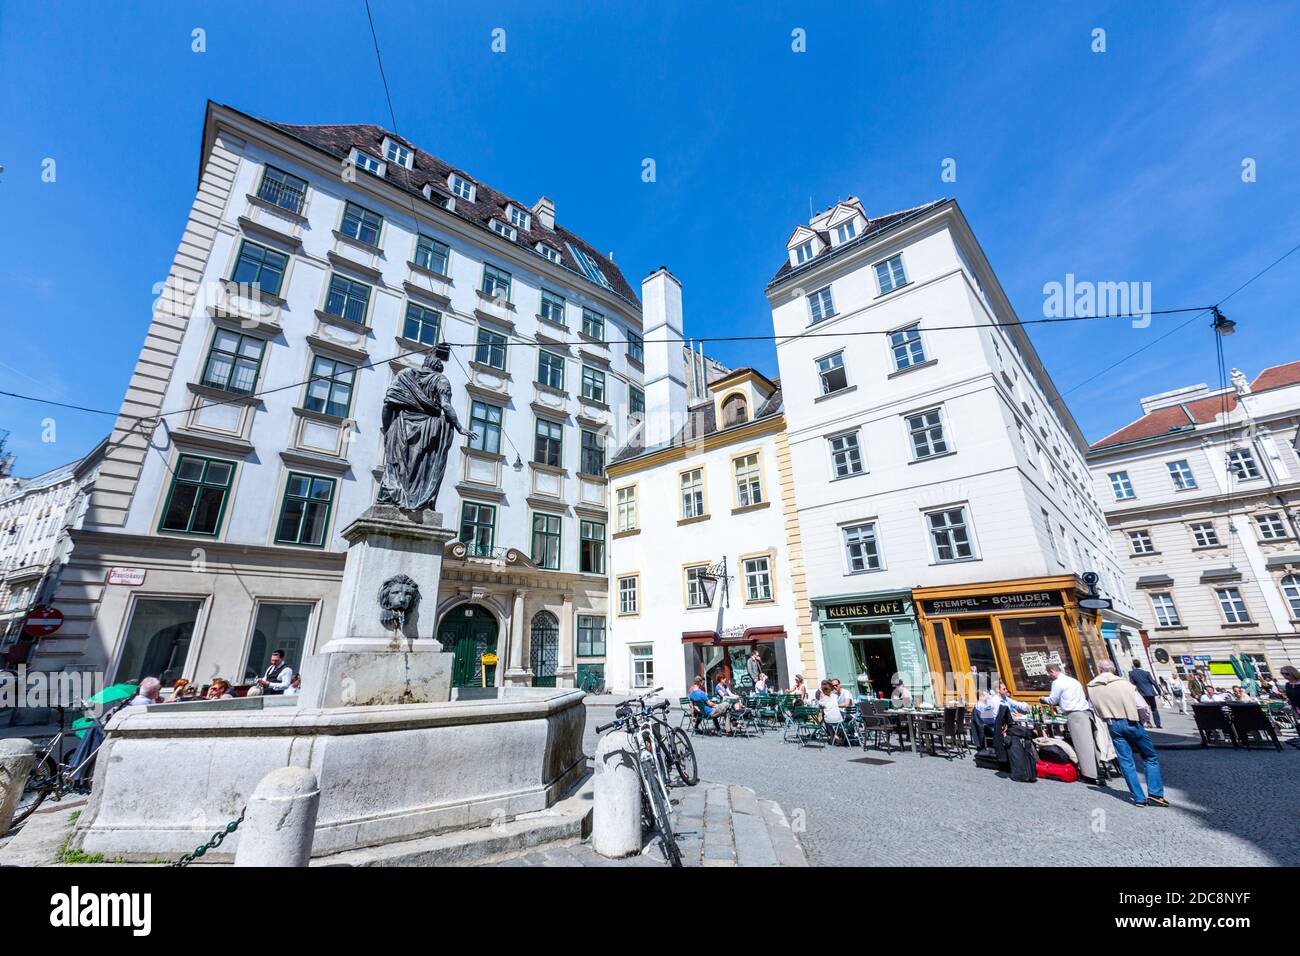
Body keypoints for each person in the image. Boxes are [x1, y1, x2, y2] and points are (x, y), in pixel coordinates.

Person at [1088, 660, 1167, 807]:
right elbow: (1142, 706)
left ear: (1099, 670)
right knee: (1150, 757)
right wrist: (1144, 720)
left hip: (1112, 724)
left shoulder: (1092, 686)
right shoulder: (1124, 684)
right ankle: (1155, 794)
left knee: (1126, 762)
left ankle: (1138, 798)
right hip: (1131, 721)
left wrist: (1106, 715)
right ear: (1113, 669)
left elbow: (1093, 707)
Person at [1041, 662, 1099, 784]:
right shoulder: (1073, 681)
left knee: (1082, 745)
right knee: (1091, 743)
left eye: (1048, 673)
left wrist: (1042, 699)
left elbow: (1053, 699)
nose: (1049, 676)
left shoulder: (1057, 683)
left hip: (1075, 714)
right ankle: (1097, 769)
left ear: (1052, 671)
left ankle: (1090, 775)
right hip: (1086, 712)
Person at [1128, 659, 1162, 729]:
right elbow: (1154, 682)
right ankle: (1158, 724)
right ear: (1140, 664)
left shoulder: (1131, 673)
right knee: (1154, 708)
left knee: (1144, 708)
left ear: (1133, 665)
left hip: (1141, 694)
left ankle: (1148, 723)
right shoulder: (1147, 673)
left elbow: (1132, 684)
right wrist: (1159, 692)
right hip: (1150, 692)